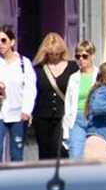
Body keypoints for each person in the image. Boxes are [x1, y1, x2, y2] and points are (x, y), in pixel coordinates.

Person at [31, 32, 77, 161]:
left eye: (57, 53)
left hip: (63, 115)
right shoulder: (38, 69)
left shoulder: (72, 67)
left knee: (60, 150)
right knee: (45, 152)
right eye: (51, 54)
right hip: (42, 115)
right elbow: (32, 92)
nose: (54, 57)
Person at [0, 25, 35, 163]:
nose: (0, 44)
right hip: (1, 113)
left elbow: (30, 88)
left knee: (16, 154)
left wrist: (27, 110)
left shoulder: (23, 63)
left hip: (18, 114)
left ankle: (15, 181)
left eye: (3, 40)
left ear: (12, 42)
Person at [63, 41, 98, 159]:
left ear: (92, 56)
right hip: (77, 118)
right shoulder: (73, 78)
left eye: (85, 56)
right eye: (78, 56)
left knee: (94, 156)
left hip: (95, 118)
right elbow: (68, 104)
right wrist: (66, 127)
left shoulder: (100, 76)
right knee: (75, 155)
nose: (81, 59)